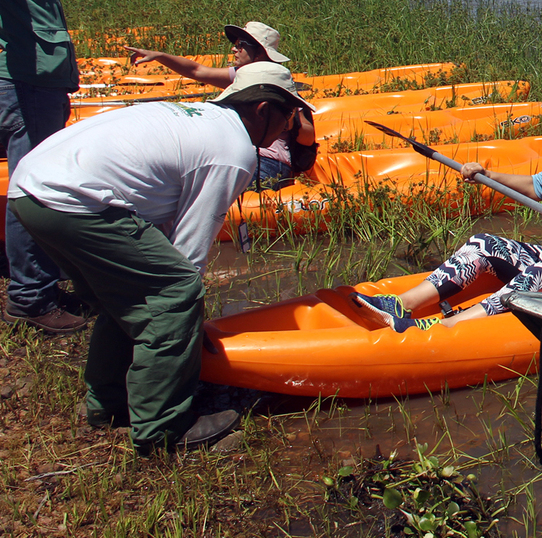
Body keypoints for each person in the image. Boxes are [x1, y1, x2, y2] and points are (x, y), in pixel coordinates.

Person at [6, 63, 316, 454]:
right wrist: (186, 321)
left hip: (31, 191)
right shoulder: (233, 151)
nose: (289, 126)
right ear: (261, 110)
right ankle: (163, 426)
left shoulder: (204, 118)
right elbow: (187, 256)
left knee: (124, 298)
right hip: (69, 199)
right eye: (288, 115)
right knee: (174, 293)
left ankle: (110, 406)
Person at [352, 87, 542, 330]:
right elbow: (536, 186)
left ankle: (446, 326)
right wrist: (487, 175)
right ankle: (401, 304)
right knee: (483, 243)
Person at [0, 0, 91, 335]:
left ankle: (42, 283)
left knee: (40, 182)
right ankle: (31, 298)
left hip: (42, 79)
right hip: (21, 80)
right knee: (33, 187)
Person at [126, 21, 316, 186]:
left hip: (266, 161)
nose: (234, 49)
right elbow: (197, 71)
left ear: (259, 53)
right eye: (235, 44)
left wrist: (288, 120)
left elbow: (307, 137)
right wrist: (159, 56)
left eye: (241, 45)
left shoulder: (278, 81)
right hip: (232, 154)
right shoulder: (240, 75)